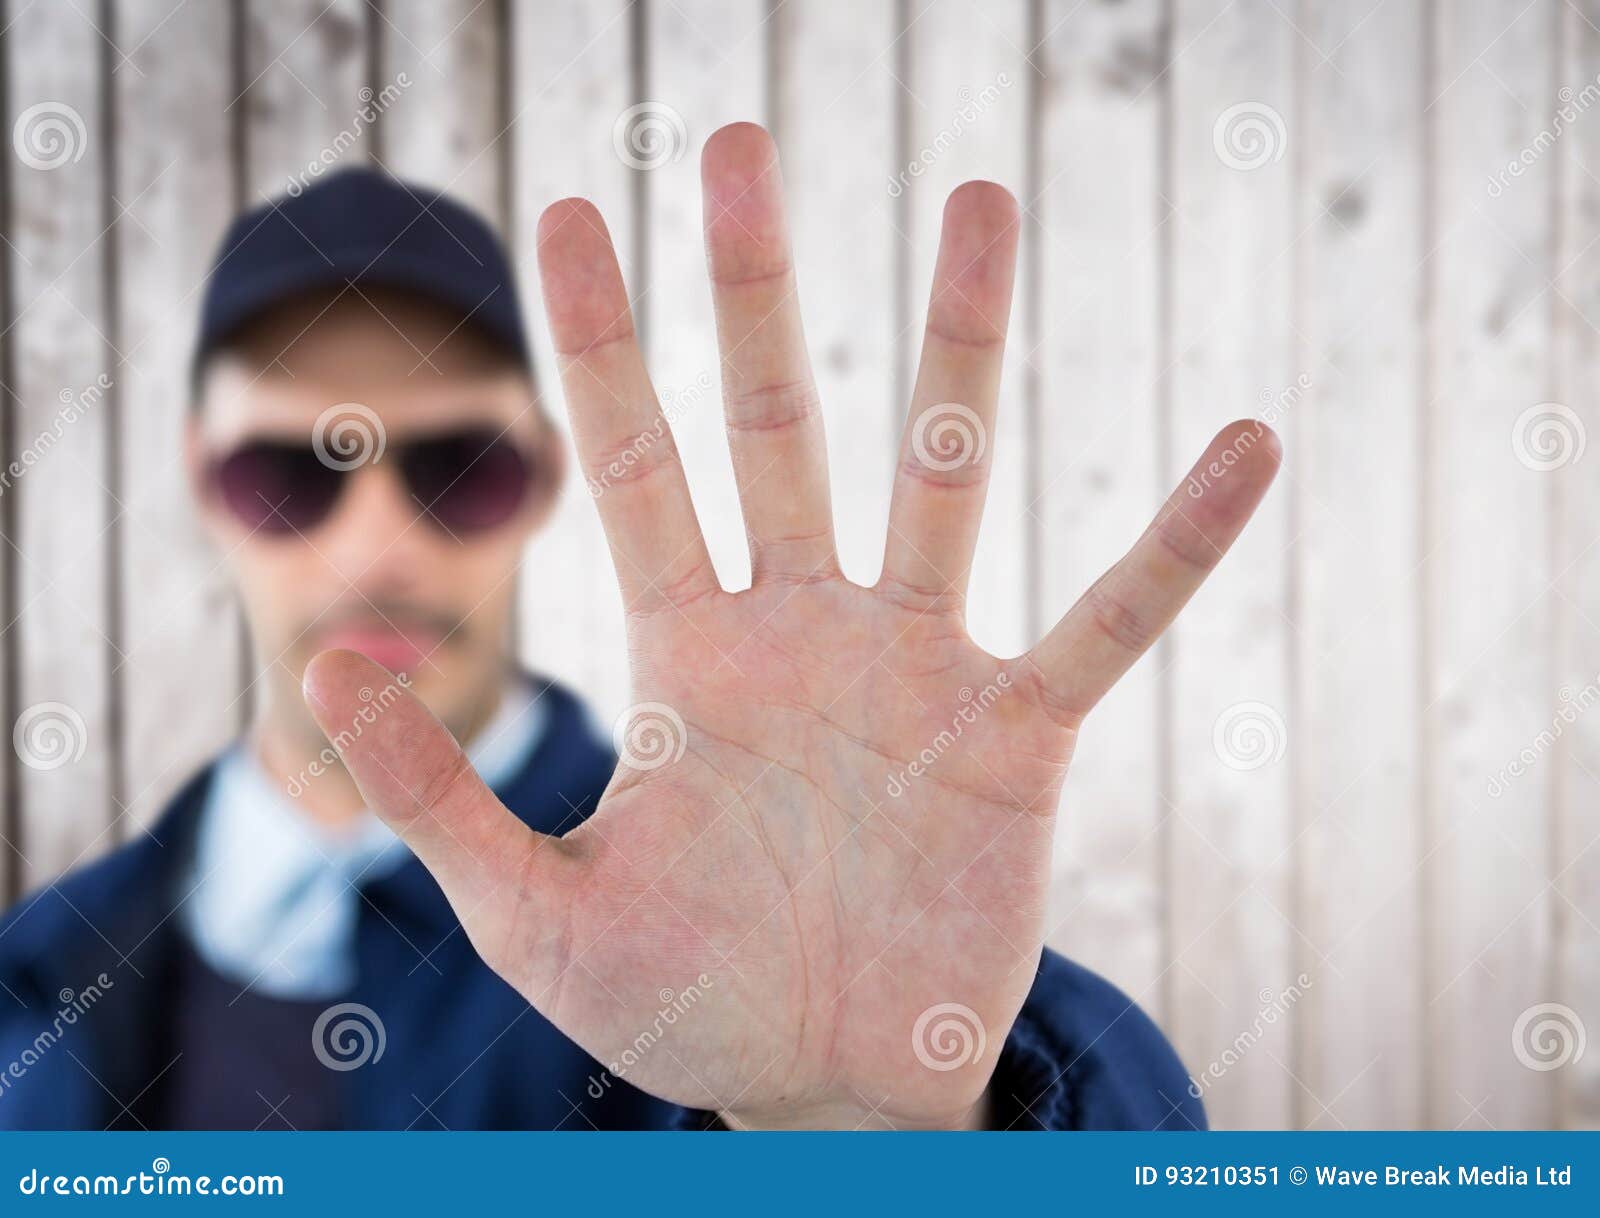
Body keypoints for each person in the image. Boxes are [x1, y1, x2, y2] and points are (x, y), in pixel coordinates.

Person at [0, 122, 1277, 1131]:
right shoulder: (43, 973)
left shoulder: (735, 898)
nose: (376, 547)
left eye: (456, 467)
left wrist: (860, 1136)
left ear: (547, 476)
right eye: (290, 475)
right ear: (196, 483)